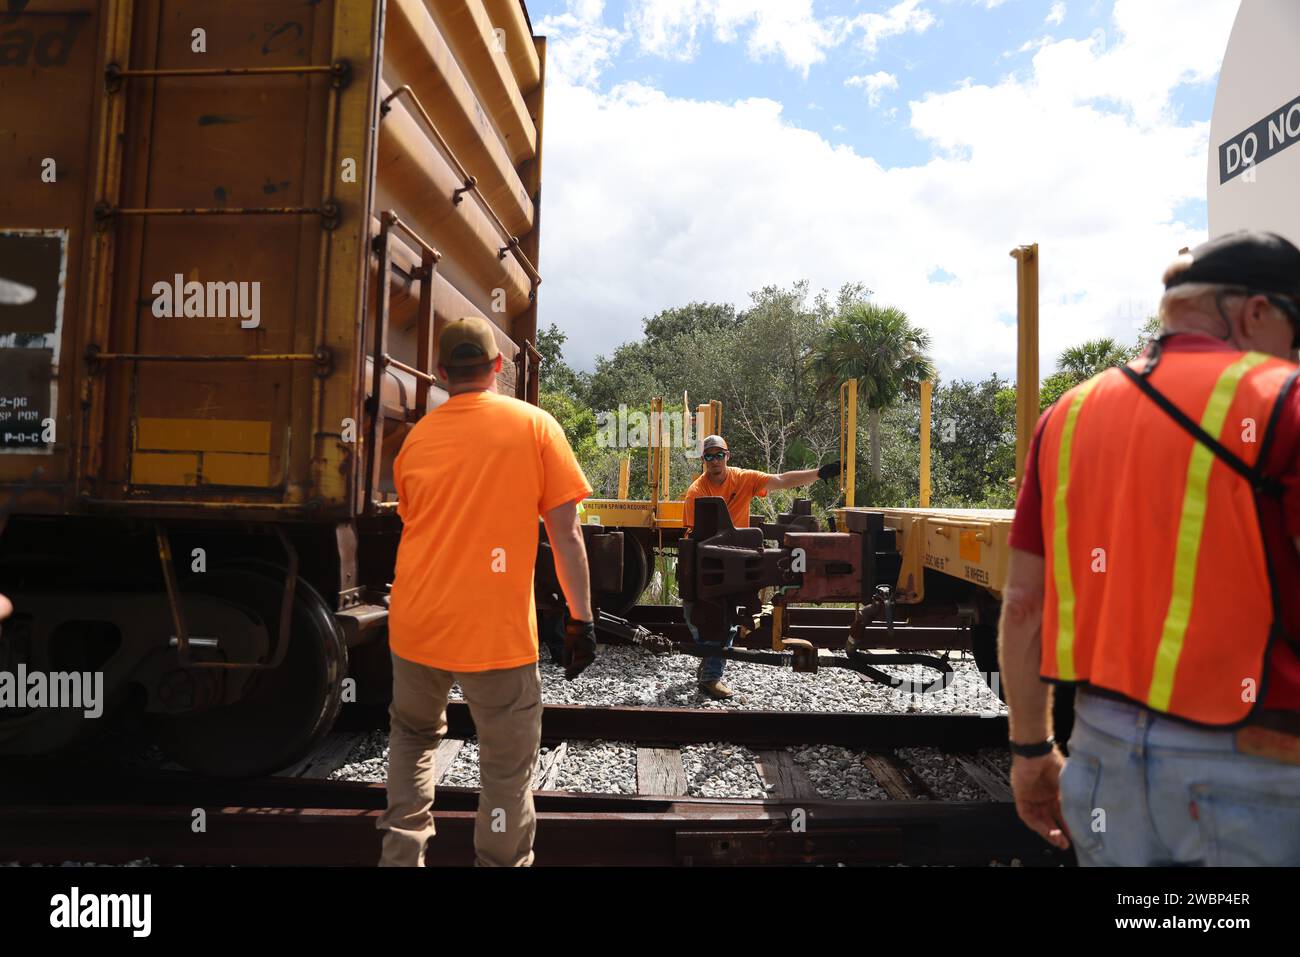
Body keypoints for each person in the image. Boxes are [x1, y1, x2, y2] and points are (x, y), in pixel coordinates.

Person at [1000, 231, 1300, 865]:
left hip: (1103, 758)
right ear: (1254, 312)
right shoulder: (1284, 399)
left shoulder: (1069, 414)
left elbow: (1024, 604)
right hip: (1257, 769)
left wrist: (1031, 751)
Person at [378, 316, 597, 867]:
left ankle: (400, 857)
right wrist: (581, 620)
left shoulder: (416, 438)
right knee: (504, 766)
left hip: (416, 625)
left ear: (441, 373)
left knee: (412, 736)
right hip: (496, 637)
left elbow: (417, 521)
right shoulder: (536, 426)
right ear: (498, 366)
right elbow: (565, 534)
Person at [681, 434, 840, 699]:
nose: (715, 461)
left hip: (738, 556)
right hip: (709, 558)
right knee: (695, 614)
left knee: (727, 619)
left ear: (727, 456)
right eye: (709, 456)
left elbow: (781, 479)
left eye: (719, 455)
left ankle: (711, 675)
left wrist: (819, 473)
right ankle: (709, 655)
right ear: (703, 461)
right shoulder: (696, 492)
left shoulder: (743, 478)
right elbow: (692, 536)